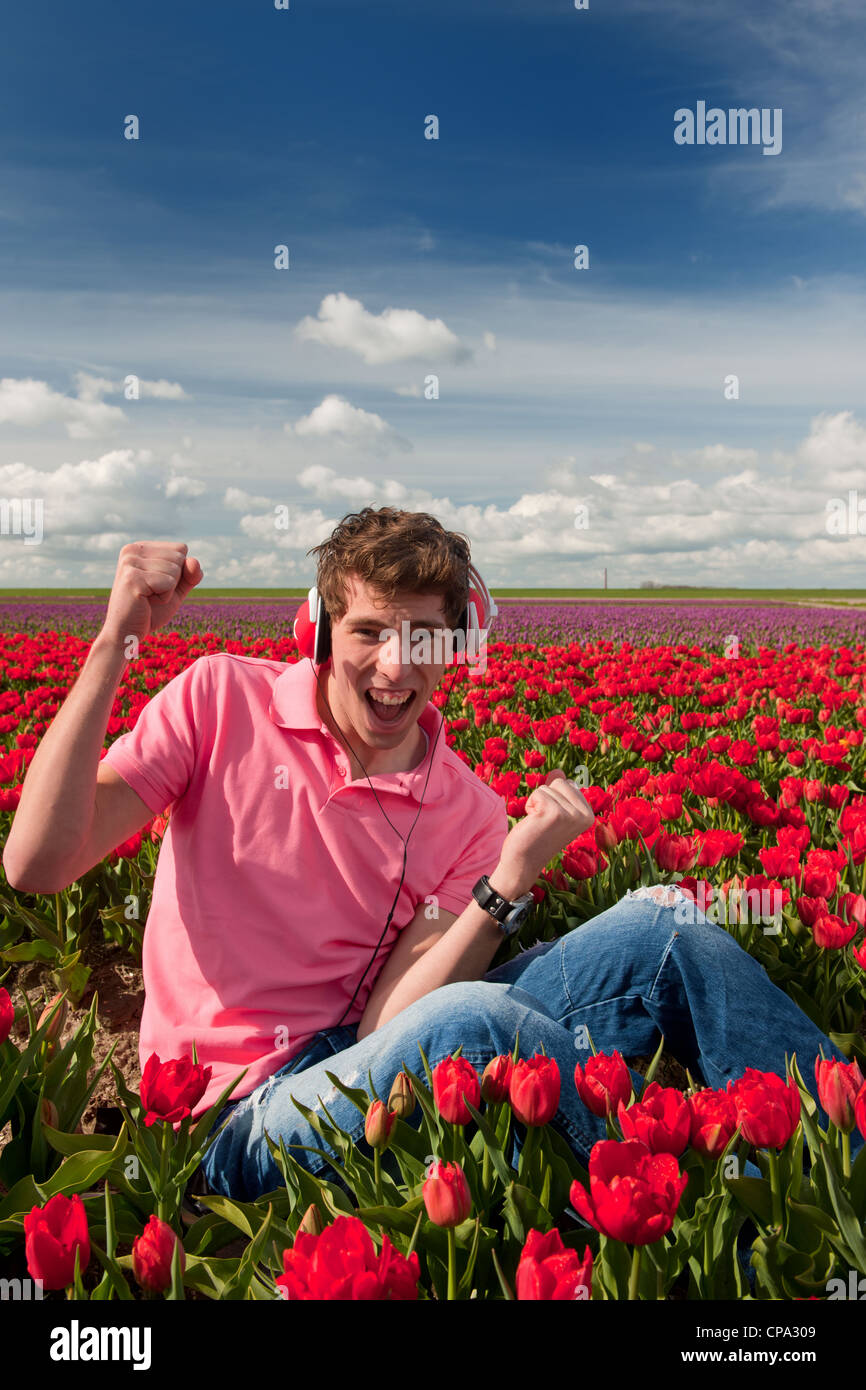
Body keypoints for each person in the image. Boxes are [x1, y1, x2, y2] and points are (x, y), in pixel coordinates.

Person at [2, 508, 857, 1208]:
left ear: (461, 644)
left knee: (667, 919)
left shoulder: (468, 808)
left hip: (362, 1049)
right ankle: (689, 1219)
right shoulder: (220, 699)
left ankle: (834, 1173)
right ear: (320, 629)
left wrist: (506, 880)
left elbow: (386, 1024)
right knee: (481, 1027)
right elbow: (36, 866)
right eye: (368, 630)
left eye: (426, 637)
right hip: (235, 1114)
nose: (394, 664)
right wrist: (115, 641)